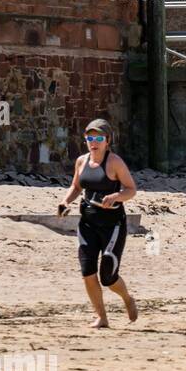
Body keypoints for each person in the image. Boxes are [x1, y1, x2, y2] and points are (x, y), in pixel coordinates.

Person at [58, 119, 139, 328]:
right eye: (90, 137)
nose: (94, 142)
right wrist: (65, 201)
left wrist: (115, 196)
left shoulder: (115, 163)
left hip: (112, 225)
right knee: (87, 272)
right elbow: (76, 186)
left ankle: (128, 299)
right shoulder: (81, 161)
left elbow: (131, 189)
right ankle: (101, 317)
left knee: (108, 277)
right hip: (87, 223)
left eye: (99, 138)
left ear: (107, 141)